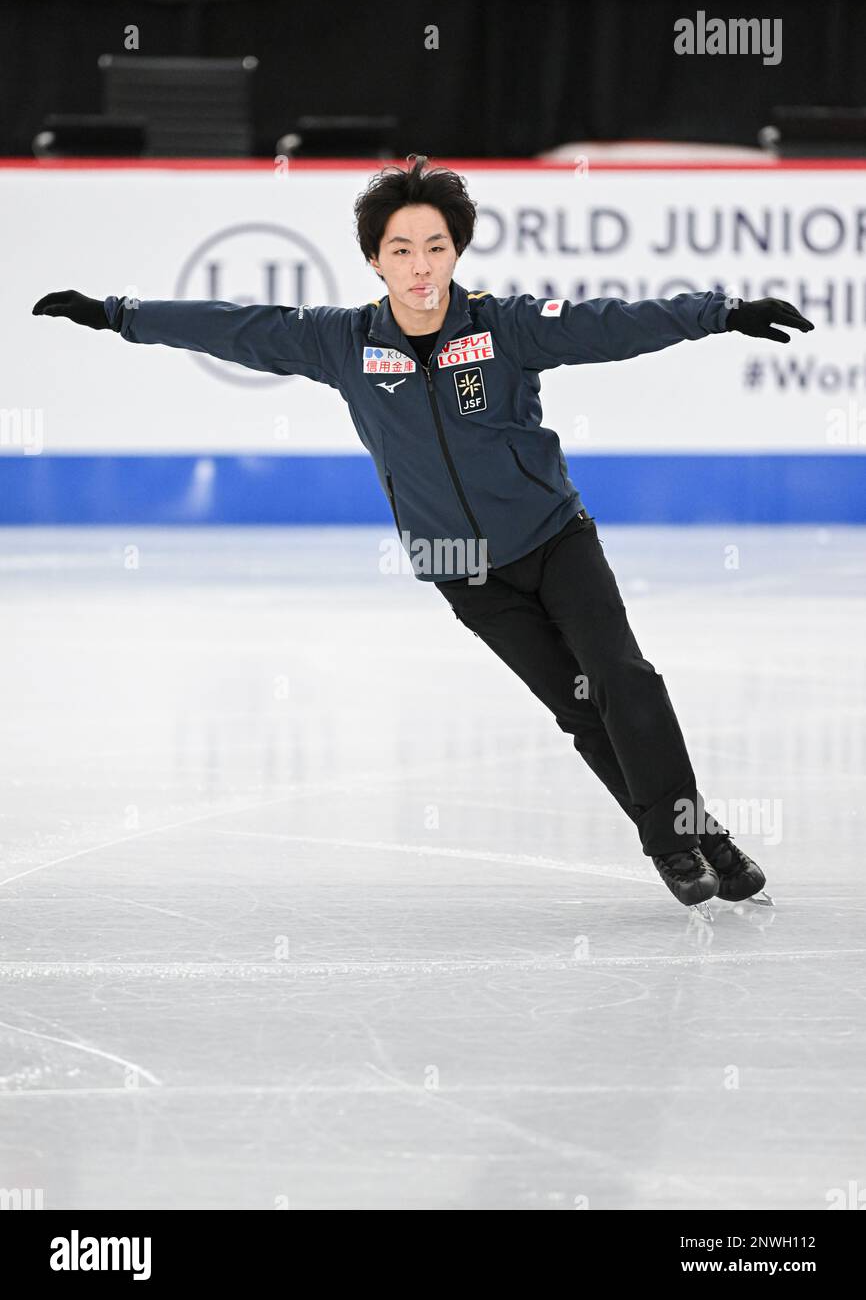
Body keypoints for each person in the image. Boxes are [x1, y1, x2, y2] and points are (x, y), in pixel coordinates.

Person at [32, 153, 814, 916]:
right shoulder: (344, 343)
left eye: (435, 247)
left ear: (457, 251)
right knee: (579, 711)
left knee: (621, 677)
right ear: (374, 259)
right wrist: (118, 314)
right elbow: (239, 328)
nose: (420, 266)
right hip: (464, 568)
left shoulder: (506, 325)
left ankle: (679, 842)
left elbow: (608, 324)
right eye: (401, 249)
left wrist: (719, 313)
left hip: (554, 538)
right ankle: (689, 834)